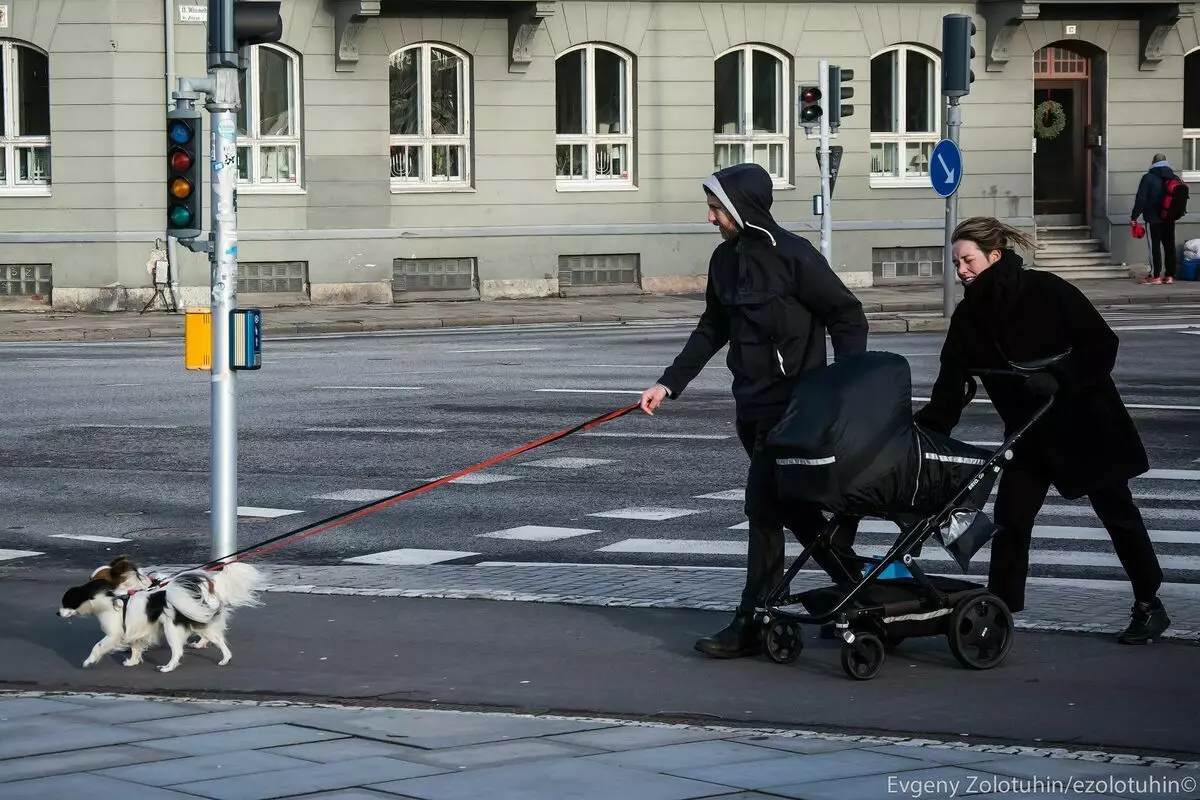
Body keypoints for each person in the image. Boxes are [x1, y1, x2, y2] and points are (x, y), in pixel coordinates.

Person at [638, 162, 869, 659]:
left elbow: (846, 313)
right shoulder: (724, 262)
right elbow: (711, 329)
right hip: (752, 406)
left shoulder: (795, 257)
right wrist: (669, 383)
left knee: (763, 508)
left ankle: (752, 619)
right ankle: (856, 582)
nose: (710, 217)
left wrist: (847, 383)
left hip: (796, 407)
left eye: (717, 208)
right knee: (792, 508)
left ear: (742, 207)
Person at [913, 216, 1170, 645]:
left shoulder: (1046, 291)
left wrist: (1060, 376)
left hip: (1087, 426)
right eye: (956, 263)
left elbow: (1102, 344)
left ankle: (1149, 603)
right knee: (1011, 521)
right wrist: (929, 427)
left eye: (968, 260)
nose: (961, 271)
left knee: (1118, 516)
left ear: (994, 256)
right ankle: (997, 617)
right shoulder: (968, 317)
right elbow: (952, 381)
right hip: (1029, 435)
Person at [1131, 153, 1180, 285]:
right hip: (1169, 218)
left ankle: (1155, 276)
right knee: (1169, 245)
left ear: (1153, 162)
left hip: (1153, 219)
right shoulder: (1174, 177)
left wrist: (1134, 216)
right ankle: (1169, 276)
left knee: (1154, 246)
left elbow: (1141, 198)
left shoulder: (1148, 178)